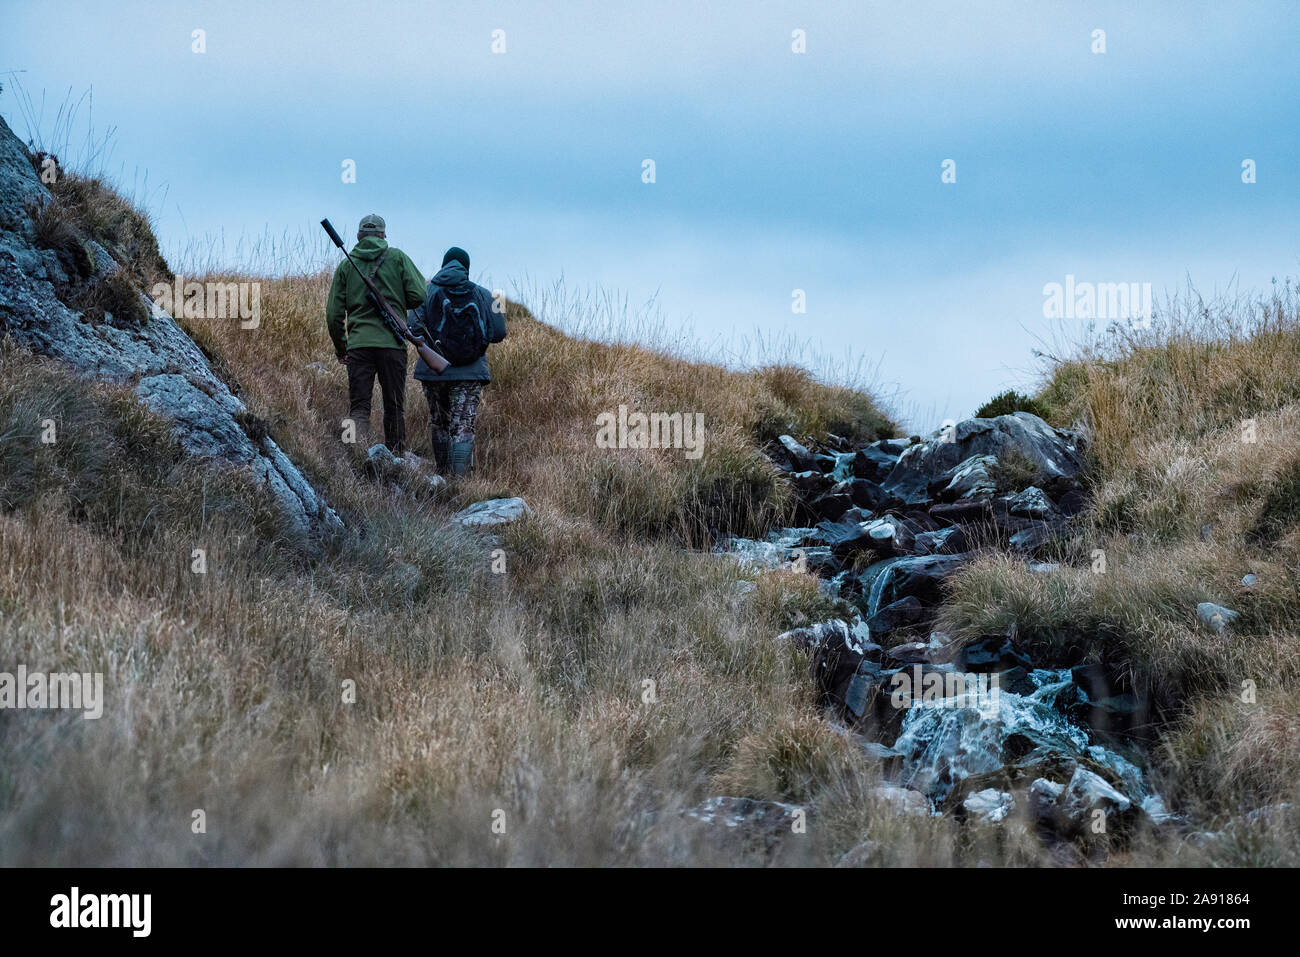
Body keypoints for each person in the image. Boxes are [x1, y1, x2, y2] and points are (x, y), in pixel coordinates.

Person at [324, 213, 427, 454]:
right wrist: (398, 302)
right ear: (383, 235)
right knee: (394, 405)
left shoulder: (347, 265)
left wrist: (342, 348)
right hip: (393, 345)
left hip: (359, 346)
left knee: (358, 407)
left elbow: (333, 314)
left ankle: (355, 456)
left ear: (359, 236)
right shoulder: (398, 257)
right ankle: (396, 458)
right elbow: (420, 295)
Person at [410, 246, 507, 475]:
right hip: (470, 372)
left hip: (432, 371)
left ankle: (442, 476)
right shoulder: (486, 294)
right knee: (463, 425)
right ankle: (459, 482)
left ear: (444, 265)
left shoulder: (425, 292)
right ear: (467, 268)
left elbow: (413, 327)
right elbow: (500, 332)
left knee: (439, 422)